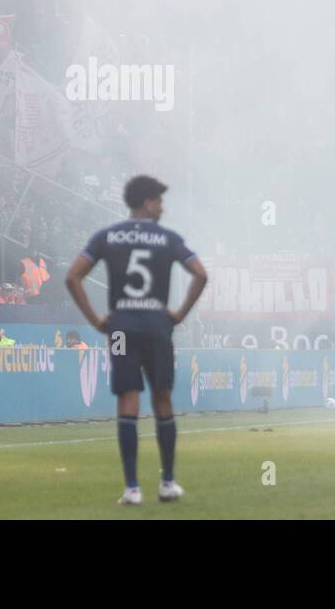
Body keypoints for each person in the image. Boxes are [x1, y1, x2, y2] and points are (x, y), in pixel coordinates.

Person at [64, 174, 209, 506]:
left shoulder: (107, 236)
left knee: (127, 398)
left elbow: (73, 276)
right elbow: (201, 273)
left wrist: (96, 319)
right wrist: (180, 314)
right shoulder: (168, 238)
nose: (162, 206)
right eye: (159, 200)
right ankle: (168, 483)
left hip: (119, 329)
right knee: (162, 397)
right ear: (147, 202)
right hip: (158, 327)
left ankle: (131, 488)